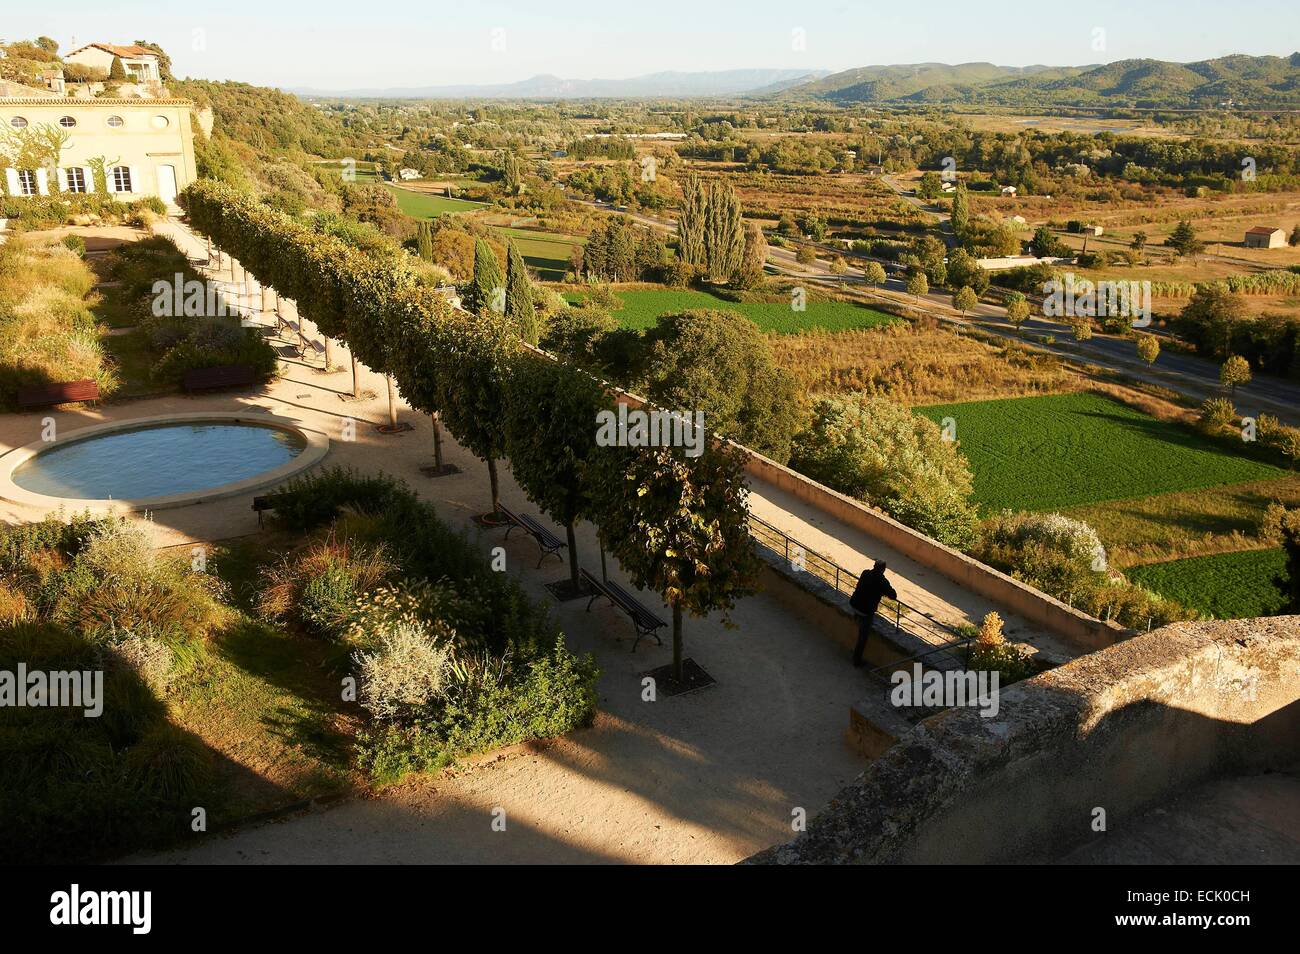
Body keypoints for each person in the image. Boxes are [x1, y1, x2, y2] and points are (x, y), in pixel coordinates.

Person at [850, 560, 896, 668]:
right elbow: (893, 595)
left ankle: (857, 618)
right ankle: (856, 660)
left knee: (860, 617)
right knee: (863, 637)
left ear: (874, 566)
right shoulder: (882, 581)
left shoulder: (865, 573)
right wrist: (883, 591)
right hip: (865, 611)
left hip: (854, 604)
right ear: (883, 569)